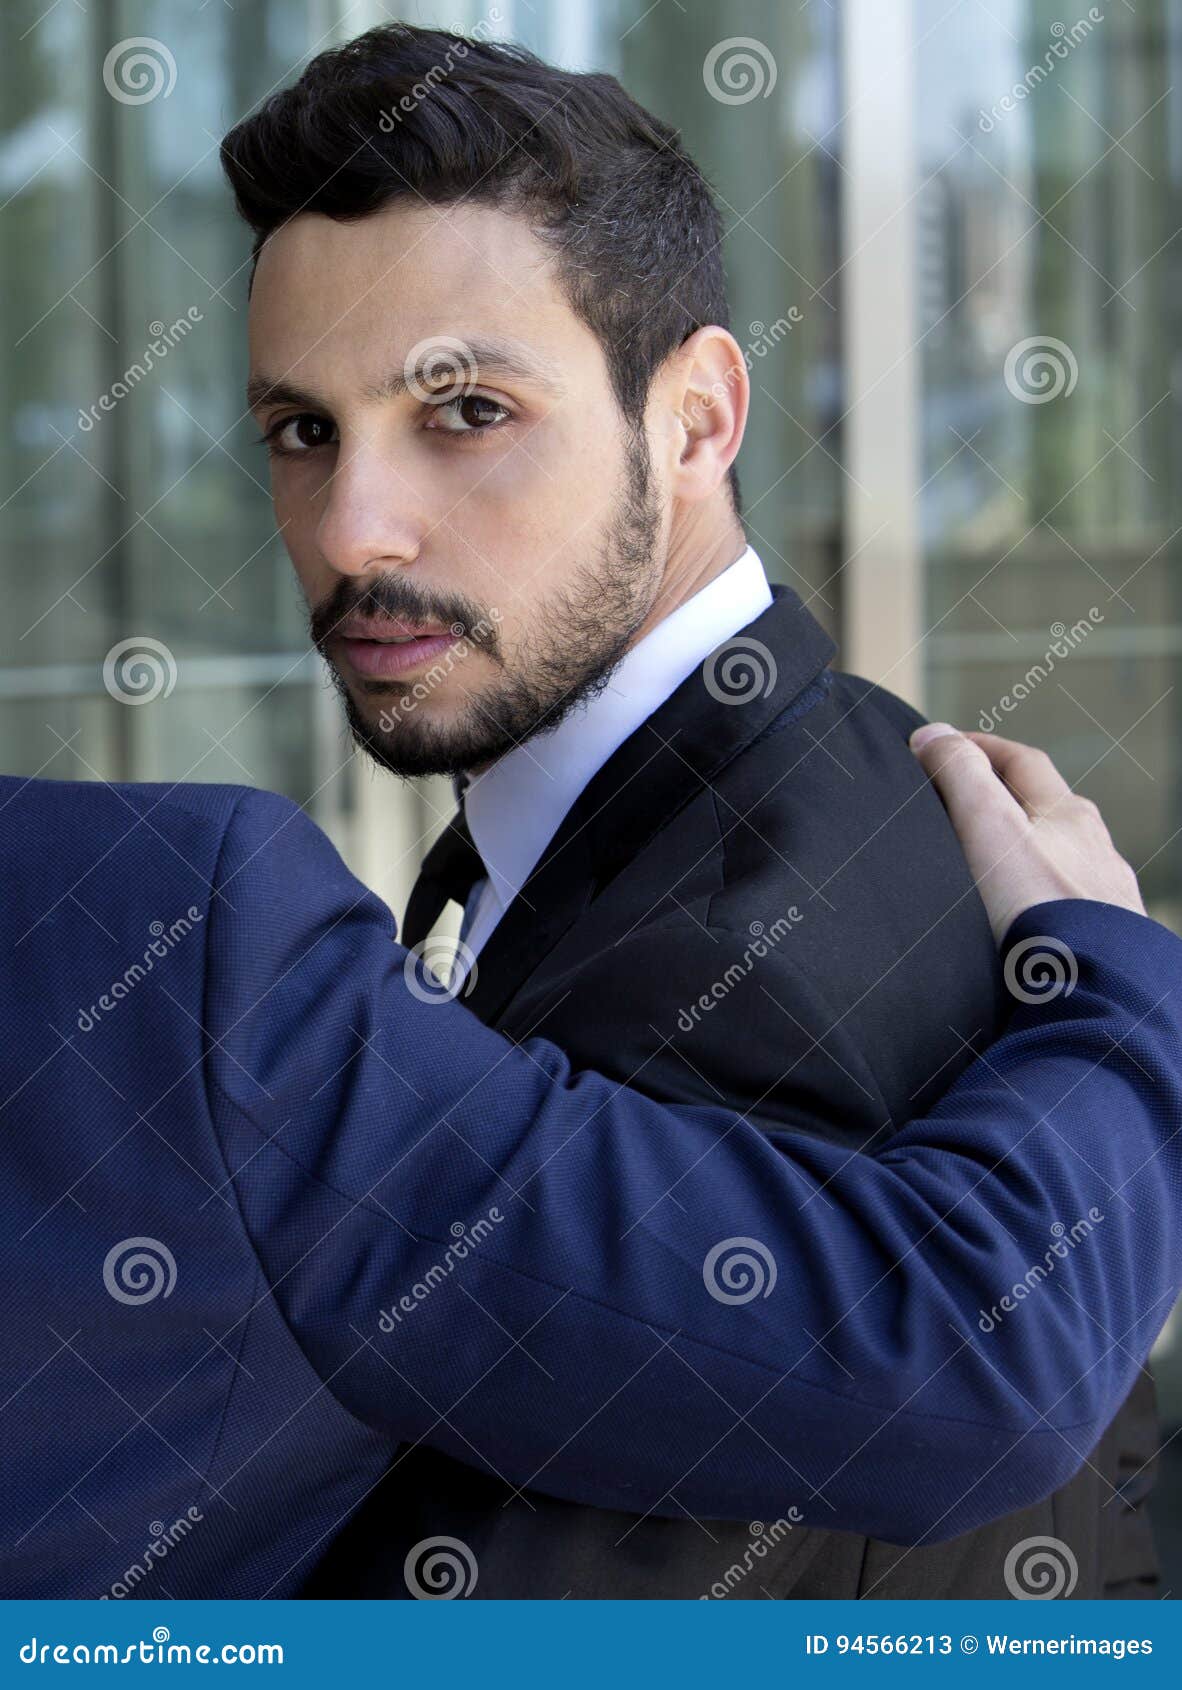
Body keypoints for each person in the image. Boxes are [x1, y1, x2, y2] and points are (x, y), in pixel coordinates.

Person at [220, 25, 1175, 1598]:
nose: (352, 529)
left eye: (466, 412)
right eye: (302, 431)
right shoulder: (847, 766)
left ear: (696, 419)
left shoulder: (723, 986)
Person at [1, 727, 1179, 1600]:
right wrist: (1122, 986)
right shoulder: (132, 923)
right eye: (300, 464)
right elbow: (967, 1357)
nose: (352, 530)